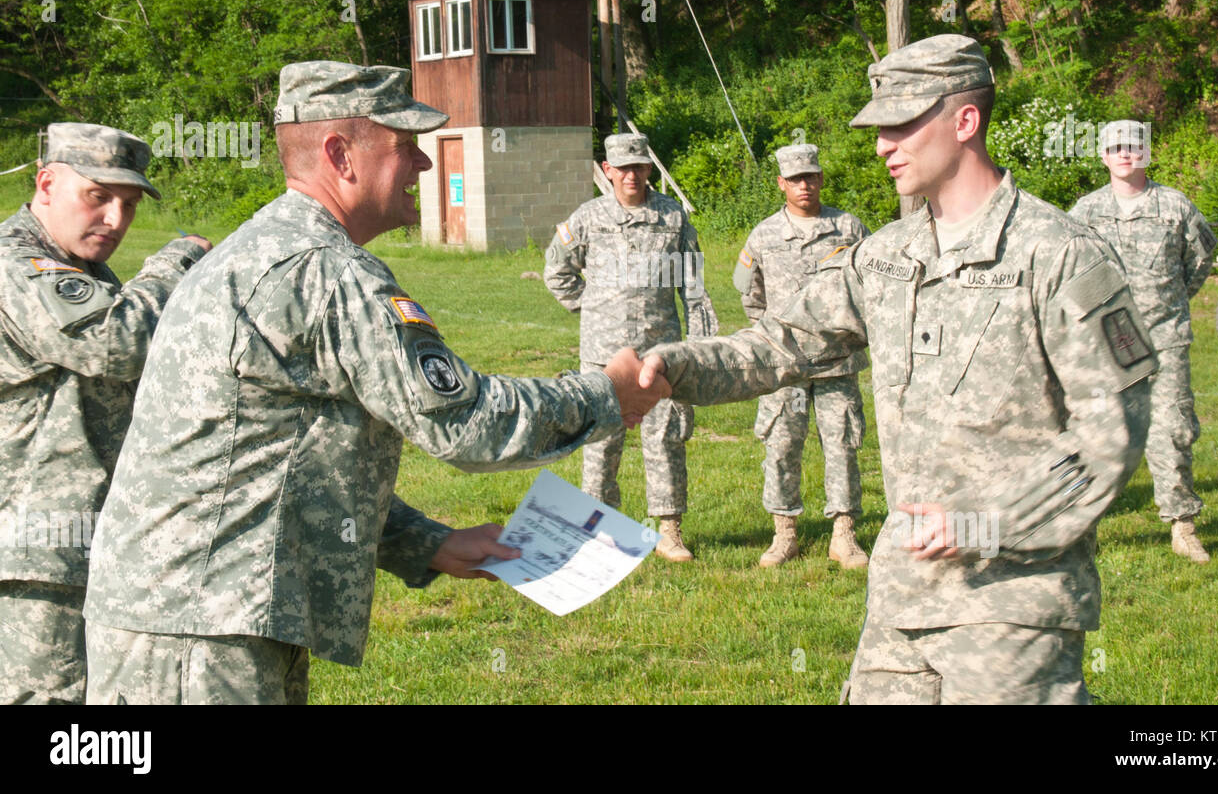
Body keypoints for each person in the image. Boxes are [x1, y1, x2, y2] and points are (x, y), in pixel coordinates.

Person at [81, 62, 668, 704]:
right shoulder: (324, 271)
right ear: (341, 155)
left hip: (195, 612)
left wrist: (428, 543)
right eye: (403, 146)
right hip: (201, 628)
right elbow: (467, 422)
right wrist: (606, 394)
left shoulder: (258, 248)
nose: (422, 164)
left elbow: (278, 463)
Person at [640, 34, 1155, 704]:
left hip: (1013, 607)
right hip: (902, 598)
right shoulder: (886, 255)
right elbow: (782, 343)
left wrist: (979, 521)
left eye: (901, 122)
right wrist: (669, 368)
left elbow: (1111, 435)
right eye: (880, 127)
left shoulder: (1060, 255)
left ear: (965, 121)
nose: (883, 143)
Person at [0, 123, 210, 704]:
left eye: (129, 205)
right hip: (38, 553)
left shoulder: (83, 271)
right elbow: (114, 342)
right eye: (98, 197)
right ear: (46, 184)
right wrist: (176, 262)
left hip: (94, 543)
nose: (116, 220)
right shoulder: (16, 264)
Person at [544, 133, 718, 561]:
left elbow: (692, 287)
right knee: (601, 442)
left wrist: (697, 345)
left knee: (666, 440)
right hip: (603, 355)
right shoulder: (587, 218)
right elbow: (556, 271)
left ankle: (670, 531)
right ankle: (598, 532)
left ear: (648, 169)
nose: (631, 175)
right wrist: (590, 307)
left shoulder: (672, 218)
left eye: (638, 166)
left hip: (660, 354)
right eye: (622, 167)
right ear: (608, 170)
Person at [1069, 120, 1216, 562]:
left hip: (1165, 338)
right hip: (1107, 342)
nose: (1125, 154)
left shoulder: (1175, 205)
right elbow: (1071, 269)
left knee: (1172, 429)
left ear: (1146, 152)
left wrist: (1170, 303)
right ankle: (1084, 528)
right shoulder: (1086, 212)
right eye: (1116, 147)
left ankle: (1182, 525)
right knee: (1097, 433)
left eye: (1134, 146)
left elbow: (1201, 259)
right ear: (1103, 156)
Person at [734, 143, 870, 567]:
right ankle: (784, 533)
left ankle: (844, 535)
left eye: (810, 176)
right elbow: (749, 292)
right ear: (781, 184)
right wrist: (773, 335)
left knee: (843, 444)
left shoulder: (849, 229)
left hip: (836, 361)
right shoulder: (764, 235)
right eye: (795, 179)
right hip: (784, 363)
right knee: (781, 444)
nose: (804, 185)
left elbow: (869, 286)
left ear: (821, 179)